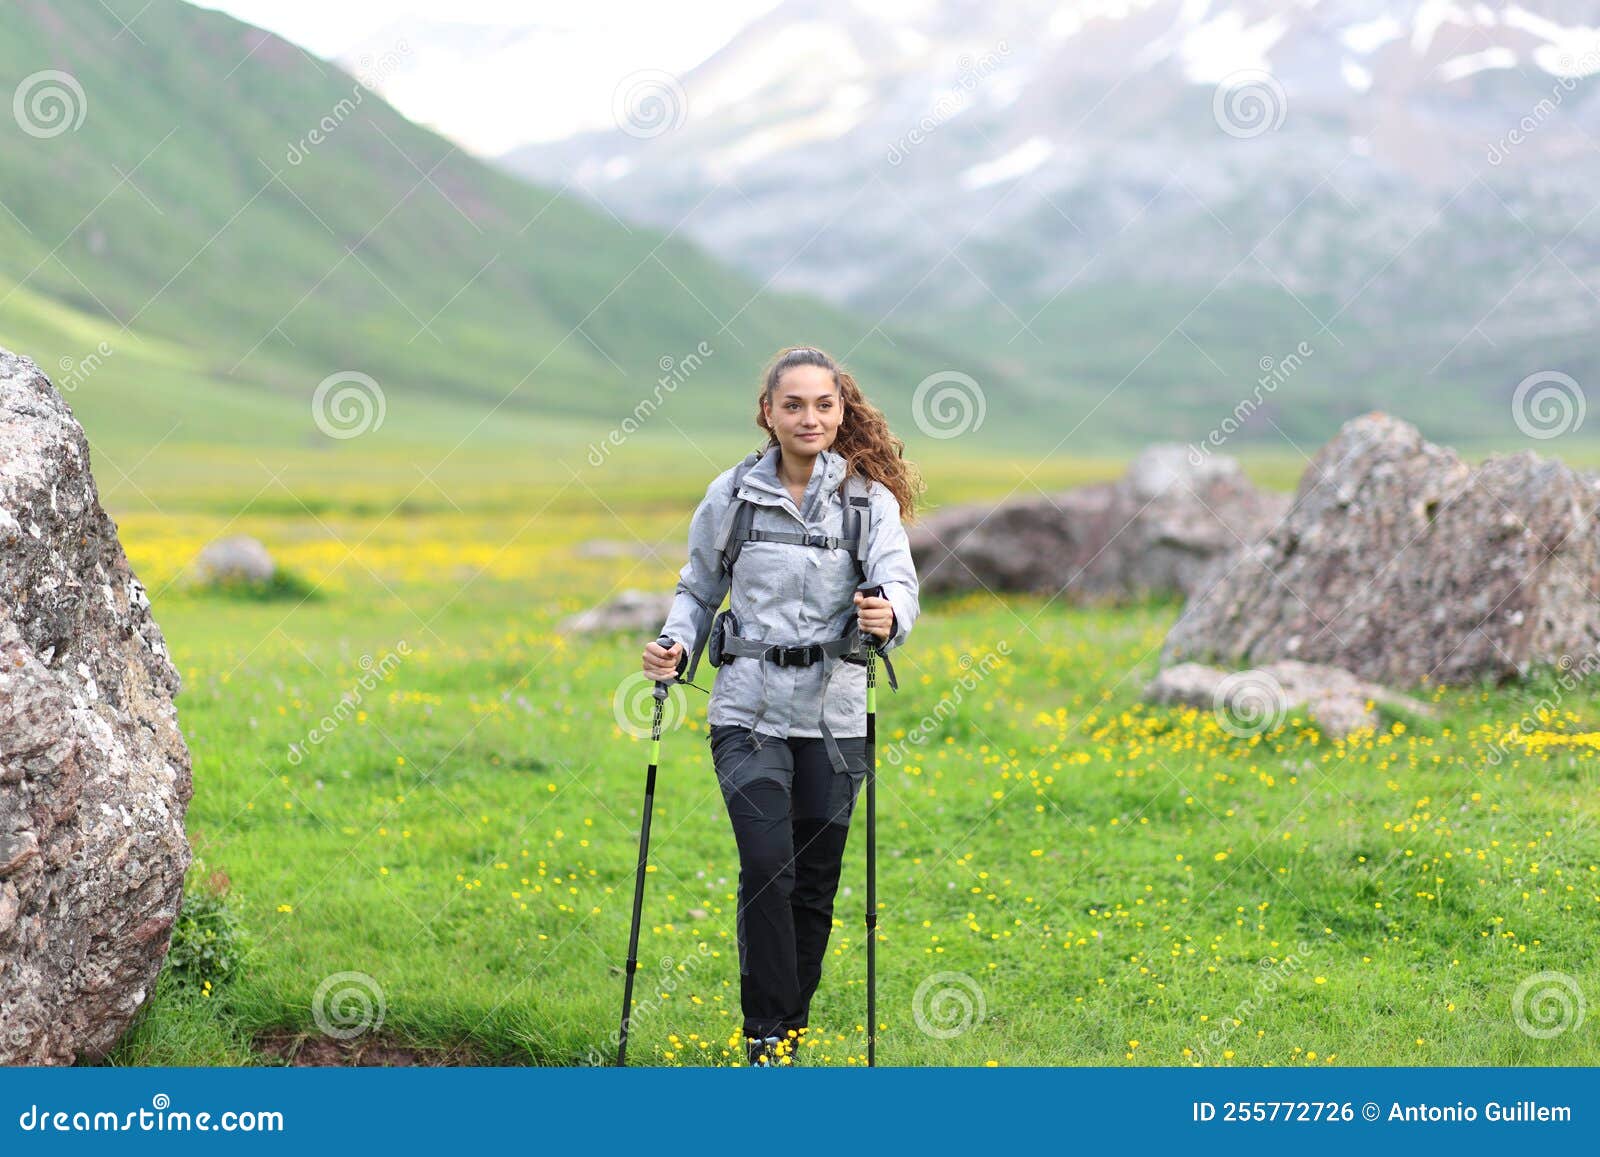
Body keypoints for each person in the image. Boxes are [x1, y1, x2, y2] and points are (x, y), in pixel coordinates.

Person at [642, 345, 923, 1067]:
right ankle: (766, 1034)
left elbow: (901, 584)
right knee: (768, 863)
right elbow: (698, 588)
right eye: (792, 404)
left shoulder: (868, 502)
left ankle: (786, 1031)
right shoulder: (732, 494)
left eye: (822, 404)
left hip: (833, 718)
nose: (808, 416)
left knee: (815, 880)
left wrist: (888, 614)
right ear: (767, 412)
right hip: (746, 712)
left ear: (840, 411)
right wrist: (675, 642)